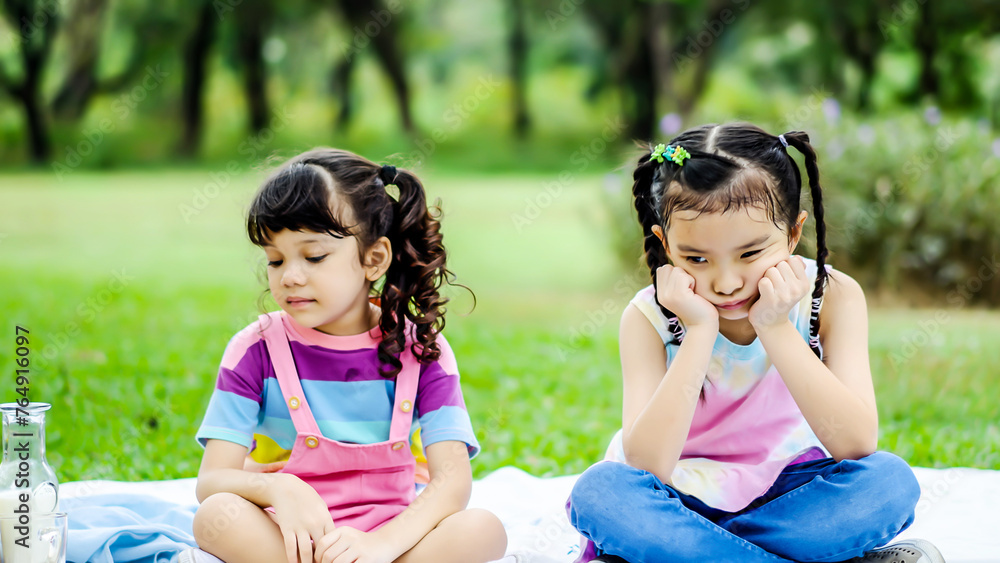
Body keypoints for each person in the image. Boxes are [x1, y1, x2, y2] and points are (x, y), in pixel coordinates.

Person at [568, 124, 944, 563]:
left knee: (888, 483)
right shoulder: (649, 317)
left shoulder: (831, 297)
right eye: (696, 259)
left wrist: (776, 326)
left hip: (792, 496)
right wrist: (700, 333)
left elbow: (857, 443)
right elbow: (647, 464)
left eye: (749, 254)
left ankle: (696, 556)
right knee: (602, 494)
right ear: (664, 244)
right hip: (676, 500)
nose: (726, 283)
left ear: (792, 233)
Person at [190, 149, 507, 563]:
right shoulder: (256, 350)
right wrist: (280, 488)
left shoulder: (421, 350)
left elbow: (452, 482)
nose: (290, 276)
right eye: (275, 259)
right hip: (293, 543)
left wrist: (380, 546)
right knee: (217, 515)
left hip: (392, 542)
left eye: (314, 256)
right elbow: (212, 479)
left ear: (373, 259)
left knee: (483, 530)